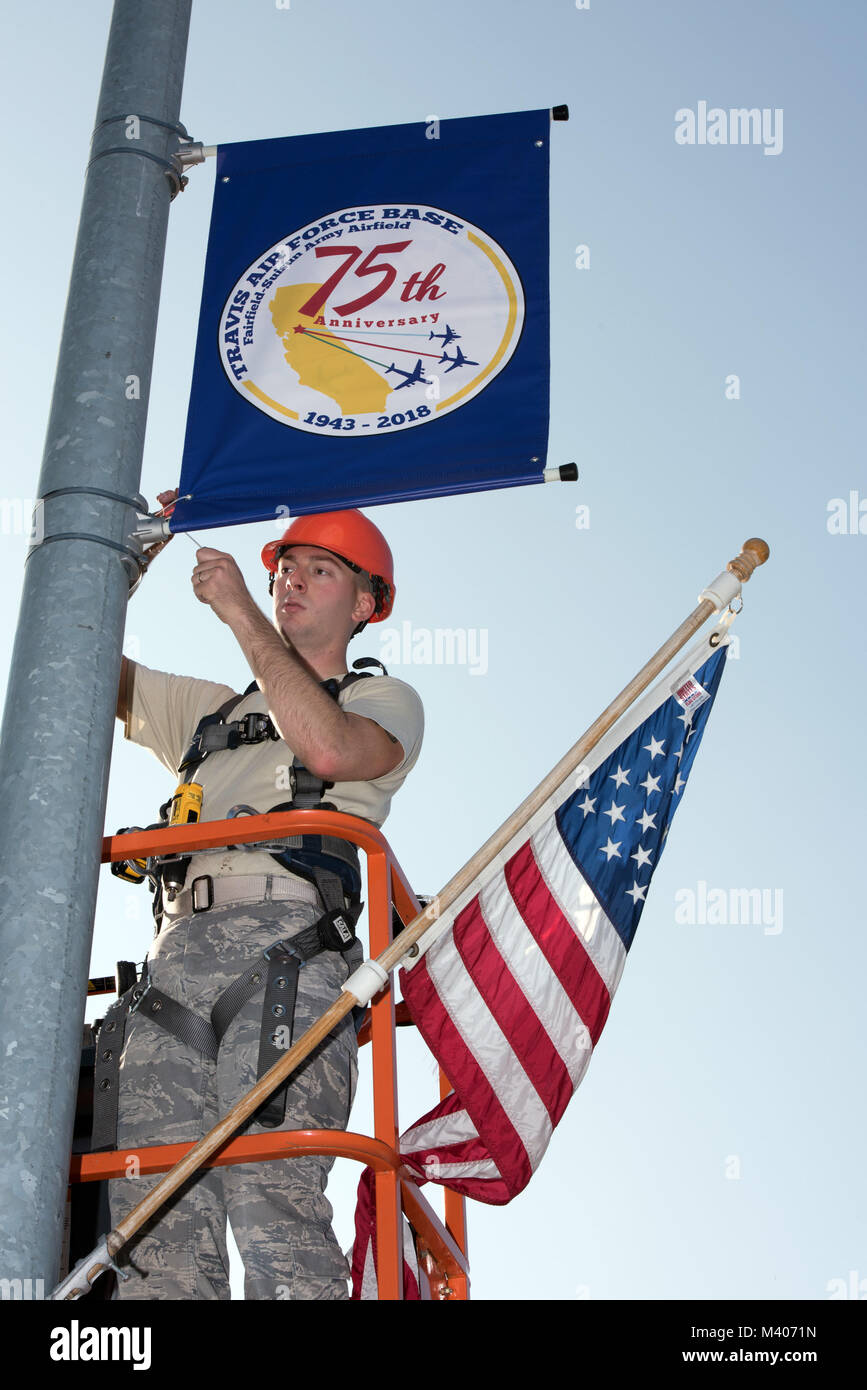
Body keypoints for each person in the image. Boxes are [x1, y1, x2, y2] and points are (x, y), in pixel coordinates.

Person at [106, 505, 424, 1300]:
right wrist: (118, 570)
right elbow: (75, 669)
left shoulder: (381, 699)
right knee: (150, 1207)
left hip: (289, 950)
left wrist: (243, 612)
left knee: (269, 1186)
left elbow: (328, 750)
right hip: (175, 956)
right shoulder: (210, 710)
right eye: (287, 566)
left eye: (321, 570)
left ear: (363, 604)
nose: (292, 580)